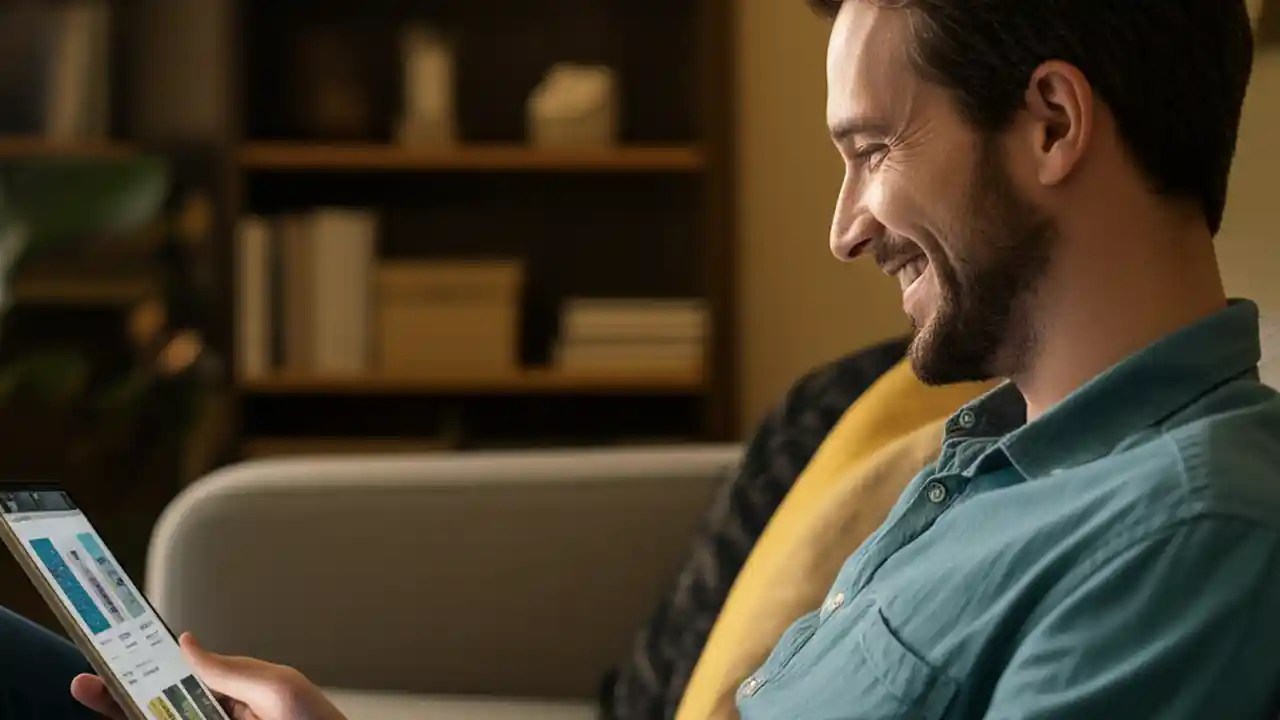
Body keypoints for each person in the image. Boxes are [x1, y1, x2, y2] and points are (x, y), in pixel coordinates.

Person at [1, 0, 1275, 717]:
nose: (841, 230)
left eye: (872, 150)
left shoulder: (1185, 538)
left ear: (1049, 123)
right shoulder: (999, 467)